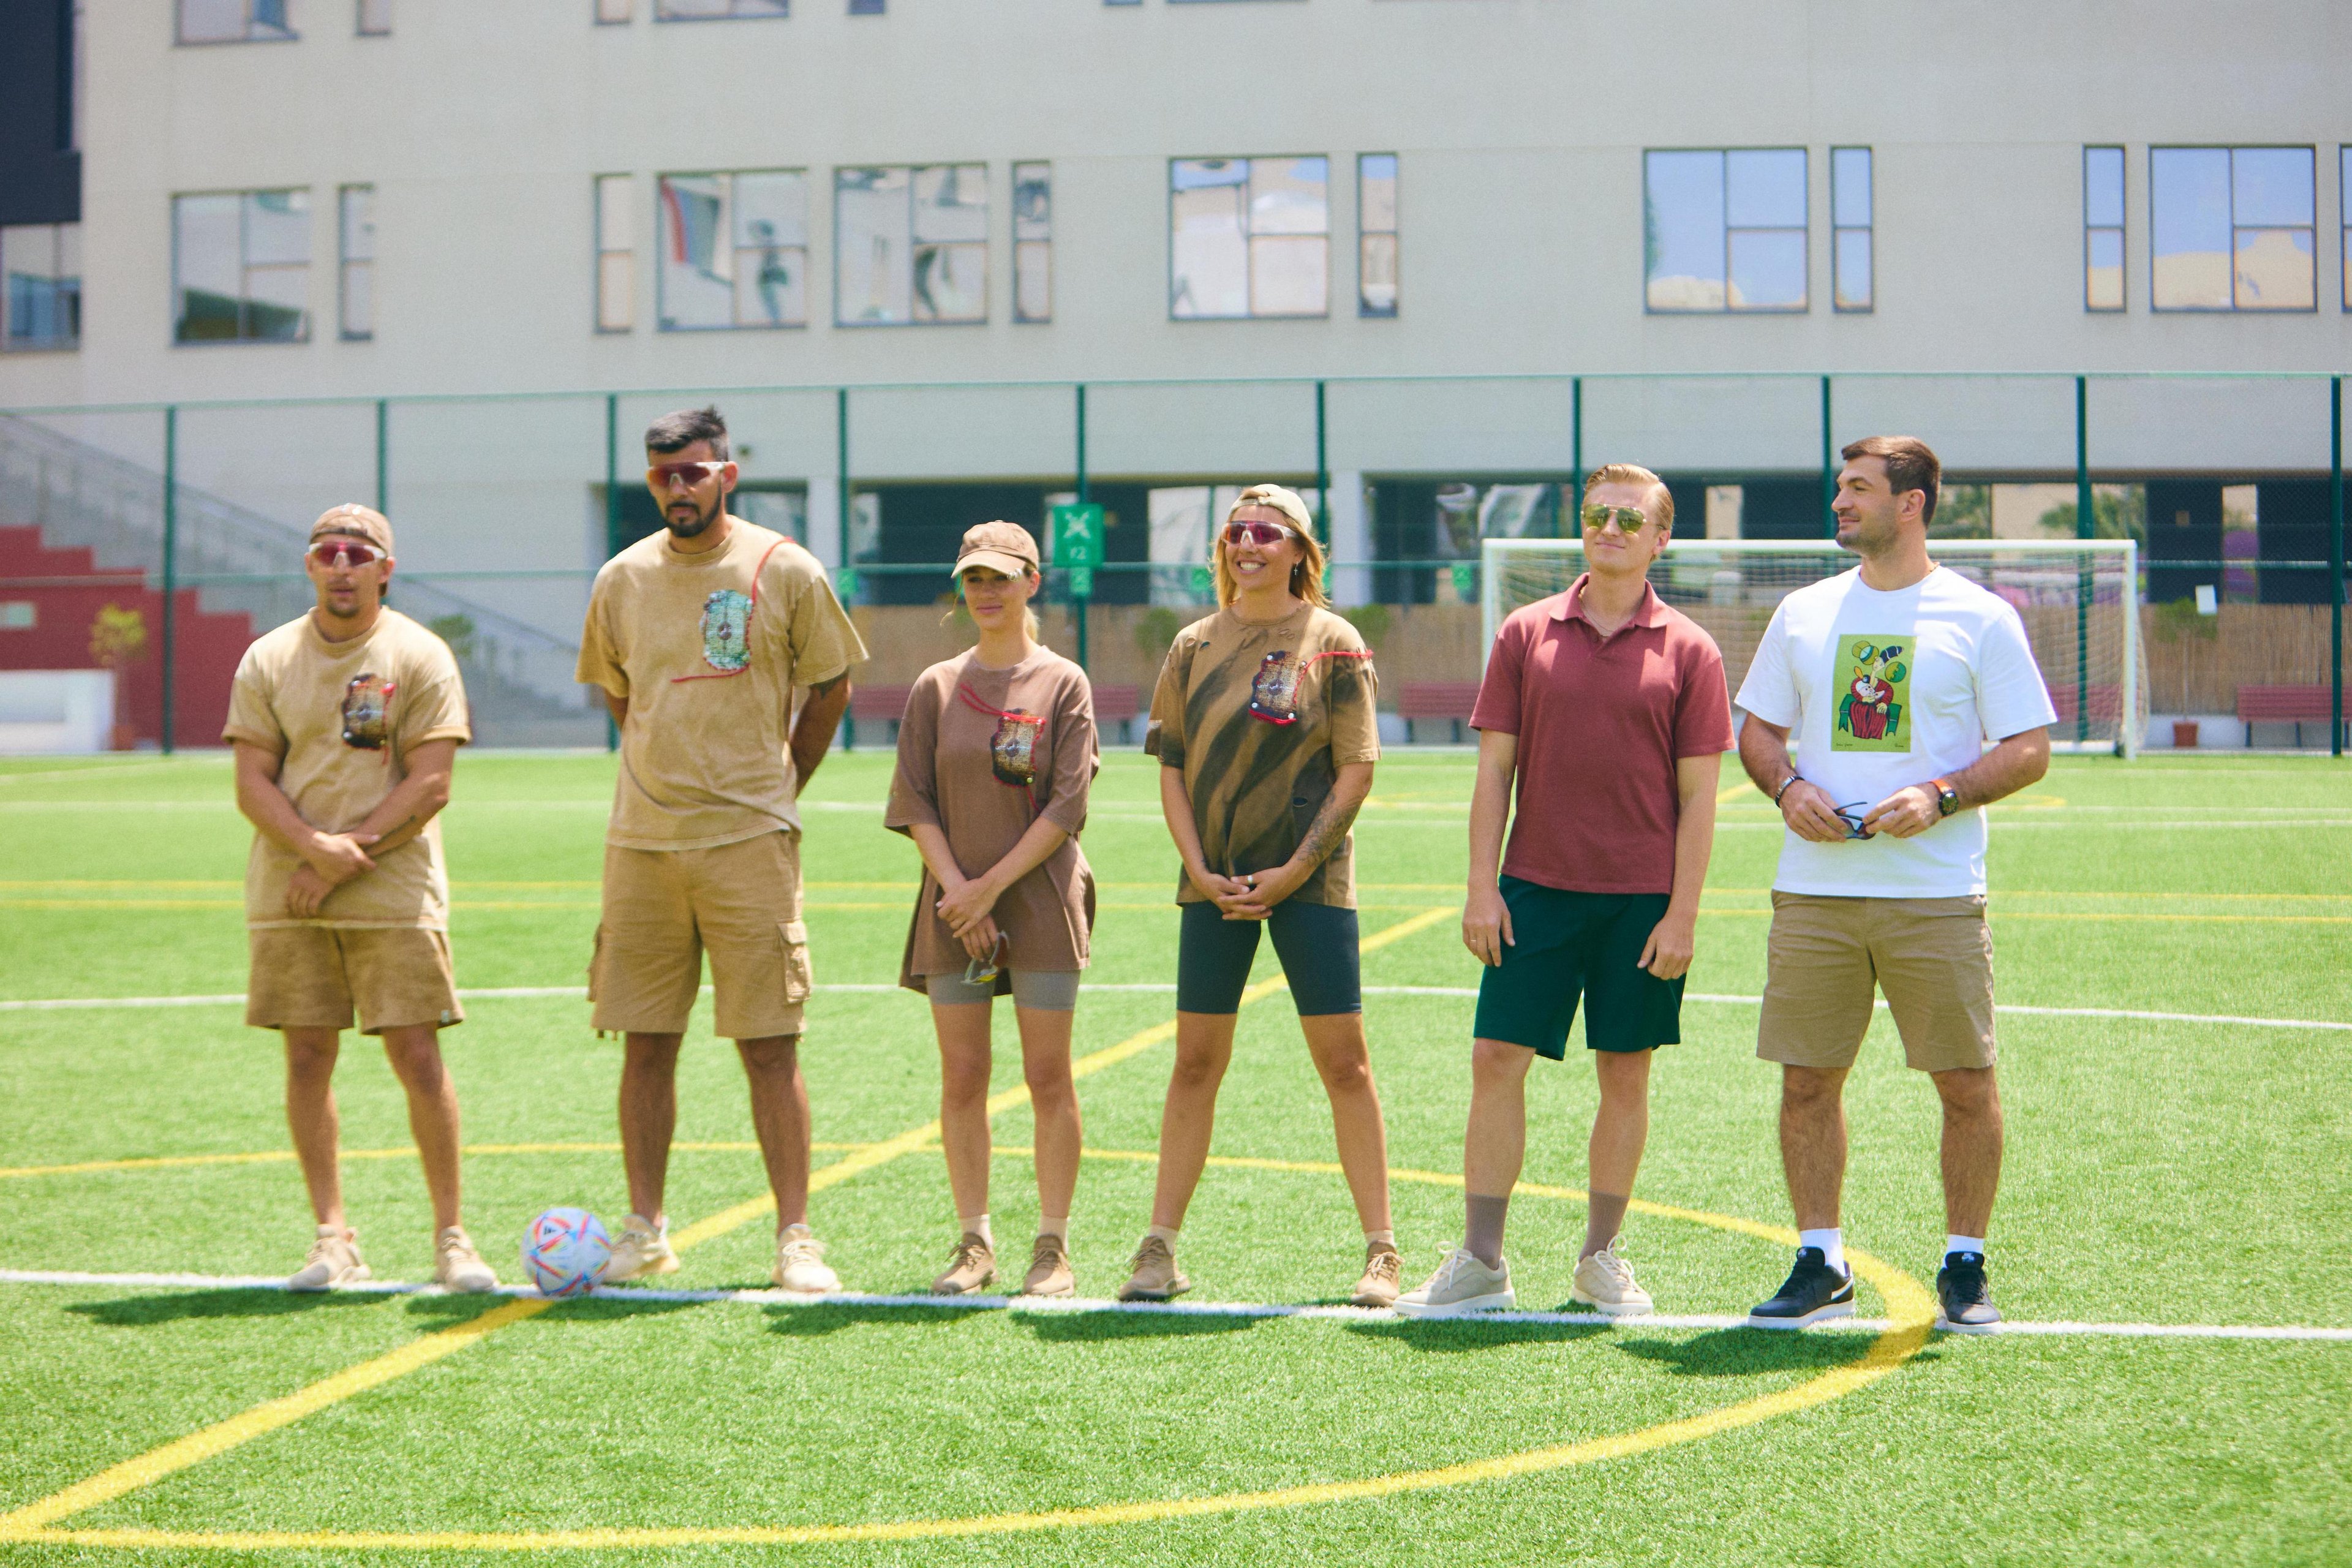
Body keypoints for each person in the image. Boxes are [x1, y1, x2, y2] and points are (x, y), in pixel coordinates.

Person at [1735, 435, 2054, 1333]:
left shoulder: (1980, 616)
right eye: (1840, 487)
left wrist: (1942, 795)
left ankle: (1964, 1263)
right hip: (1816, 892)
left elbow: (2028, 748)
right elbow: (1756, 732)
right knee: (1806, 1083)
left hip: (1936, 893)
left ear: (1911, 504)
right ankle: (1820, 1258)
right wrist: (1788, 787)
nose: (1841, 503)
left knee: (1964, 1084)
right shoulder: (1803, 612)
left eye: (1859, 489)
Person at [1398, 466, 1733, 1317]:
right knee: (1495, 1061)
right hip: (1533, 893)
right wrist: (1482, 886)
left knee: (1625, 1073)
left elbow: (1702, 797)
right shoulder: (1523, 632)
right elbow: (1493, 774)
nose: (1610, 528)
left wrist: (1684, 912)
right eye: (1596, 515)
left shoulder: (1691, 649)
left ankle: (1600, 1260)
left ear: (1661, 539)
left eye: (1631, 518)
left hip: (1641, 903)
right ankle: (1480, 1262)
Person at [576, 405, 867, 1293]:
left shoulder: (785, 568)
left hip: (749, 843)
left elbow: (831, 689)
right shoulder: (621, 578)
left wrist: (779, 786)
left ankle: (796, 1239)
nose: (678, 489)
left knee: (770, 1045)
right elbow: (625, 701)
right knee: (645, 1042)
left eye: (693, 473)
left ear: (727, 475)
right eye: (663, 476)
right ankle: (645, 1228)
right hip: (644, 844)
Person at [1123, 484, 1400, 1308]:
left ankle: (1382, 1251)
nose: (1249, 544)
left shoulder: (1334, 641)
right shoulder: (1192, 645)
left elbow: (1359, 768)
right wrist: (1198, 867)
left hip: (1311, 885)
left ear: (1299, 551)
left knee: (1344, 1065)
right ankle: (1159, 1247)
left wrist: (1294, 870)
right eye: (1237, 532)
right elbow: (1170, 765)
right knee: (1195, 1063)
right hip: (1211, 884)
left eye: (1268, 533)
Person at [225, 503, 496, 1295]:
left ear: (385, 569)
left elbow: (432, 780)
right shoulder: (268, 658)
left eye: (359, 552)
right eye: (327, 551)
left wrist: (346, 858)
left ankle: (452, 1239)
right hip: (291, 893)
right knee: (307, 1056)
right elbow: (251, 782)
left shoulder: (419, 654)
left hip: (393, 892)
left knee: (416, 1054)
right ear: (309, 566)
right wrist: (311, 850)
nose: (341, 564)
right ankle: (332, 1236)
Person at [886, 522, 1099, 1298]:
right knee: (964, 1076)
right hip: (952, 911)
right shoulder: (935, 686)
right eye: (974, 579)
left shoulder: (1063, 682)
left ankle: (1053, 1246)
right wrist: (957, 893)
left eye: (1001, 578)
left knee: (1048, 1075)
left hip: (1039, 900)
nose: (986, 592)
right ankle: (974, 1241)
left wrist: (988, 889)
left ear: (1031, 583)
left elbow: (1069, 804)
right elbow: (914, 800)